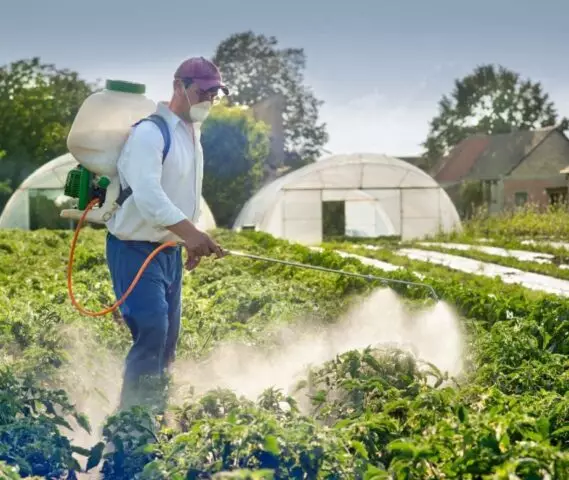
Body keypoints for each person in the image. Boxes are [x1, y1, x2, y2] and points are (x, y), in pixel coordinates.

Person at [105, 56, 228, 411]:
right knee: (152, 333)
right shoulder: (150, 132)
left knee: (168, 342)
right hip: (134, 250)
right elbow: (148, 195)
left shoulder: (192, 134)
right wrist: (189, 233)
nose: (209, 100)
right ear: (179, 87)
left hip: (167, 252)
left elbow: (182, 195)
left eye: (215, 94)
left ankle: (156, 415)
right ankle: (131, 426)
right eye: (203, 91)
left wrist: (185, 239)